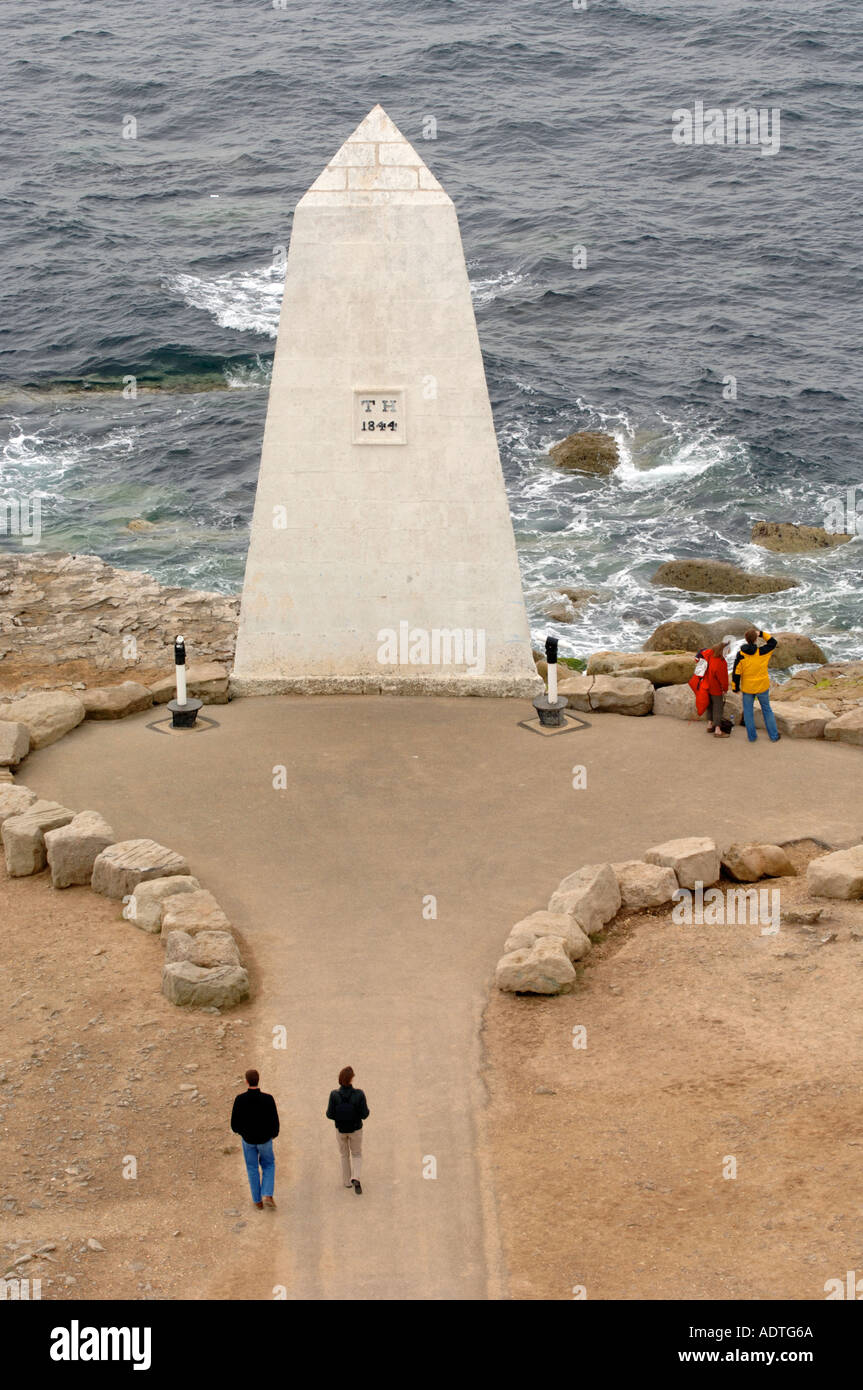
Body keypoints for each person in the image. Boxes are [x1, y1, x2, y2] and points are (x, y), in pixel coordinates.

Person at [230, 1068, 280, 1210]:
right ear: (258, 1080)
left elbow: (234, 1123)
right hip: (265, 1140)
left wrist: (242, 1132)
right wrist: (273, 1134)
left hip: (248, 1140)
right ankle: (268, 1194)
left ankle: (257, 1200)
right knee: (269, 1165)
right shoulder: (268, 1099)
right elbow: (274, 1120)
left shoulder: (240, 1100)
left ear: (246, 1081)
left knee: (252, 1168)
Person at [731, 627, 781, 743]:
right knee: (767, 710)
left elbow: (736, 673)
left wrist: (735, 688)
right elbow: (773, 642)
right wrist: (762, 634)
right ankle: (774, 736)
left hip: (748, 688)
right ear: (755, 639)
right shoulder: (763, 652)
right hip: (762, 686)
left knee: (748, 712)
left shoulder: (741, 655)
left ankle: (752, 737)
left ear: (746, 639)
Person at [326, 1066, 369, 1195]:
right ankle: (355, 1177)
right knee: (356, 1153)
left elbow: (329, 1114)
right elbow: (365, 1114)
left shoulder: (334, 1095)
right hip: (356, 1129)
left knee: (344, 1155)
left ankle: (347, 1182)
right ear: (351, 1079)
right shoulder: (359, 1094)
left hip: (341, 1130)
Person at [688, 639, 732, 737]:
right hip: (715, 688)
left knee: (710, 706)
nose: (729, 653)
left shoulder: (708, 655)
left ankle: (709, 725)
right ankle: (717, 730)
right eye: (728, 651)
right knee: (718, 707)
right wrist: (725, 689)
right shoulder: (721, 662)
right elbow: (723, 678)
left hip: (705, 685)